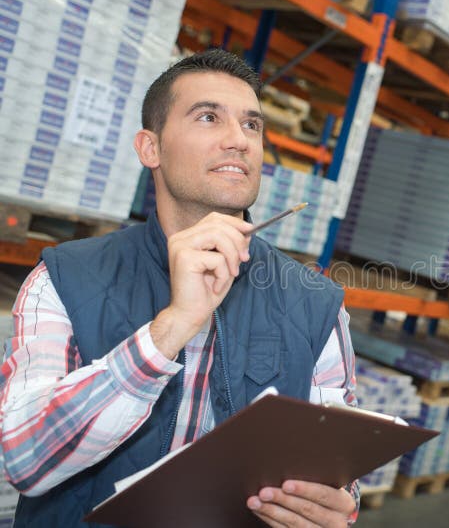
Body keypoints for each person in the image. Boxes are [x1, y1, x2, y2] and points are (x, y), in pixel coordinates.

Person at [0, 49, 359, 527]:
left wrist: (334, 504)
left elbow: (336, 460)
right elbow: (25, 460)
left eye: (252, 125)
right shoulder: (64, 278)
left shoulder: (315, 304)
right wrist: (172, 326)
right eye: (209, 117)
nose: (239, 140)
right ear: (150, 148)